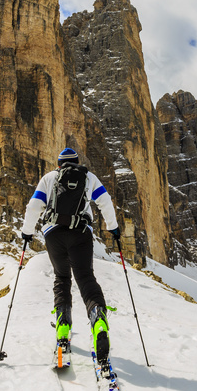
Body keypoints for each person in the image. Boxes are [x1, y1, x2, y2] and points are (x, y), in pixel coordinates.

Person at [21, 147, 121, 364]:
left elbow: (34, 206)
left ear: (59, 164)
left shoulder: (49, 178)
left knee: (62, 278)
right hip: (81, 233)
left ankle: (63, 328)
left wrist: (27, 232)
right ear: (77, 162)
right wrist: (113, 228)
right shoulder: (89, 177)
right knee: (86, 278)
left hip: (53, 234)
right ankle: (99, 323)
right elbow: (105, 201)